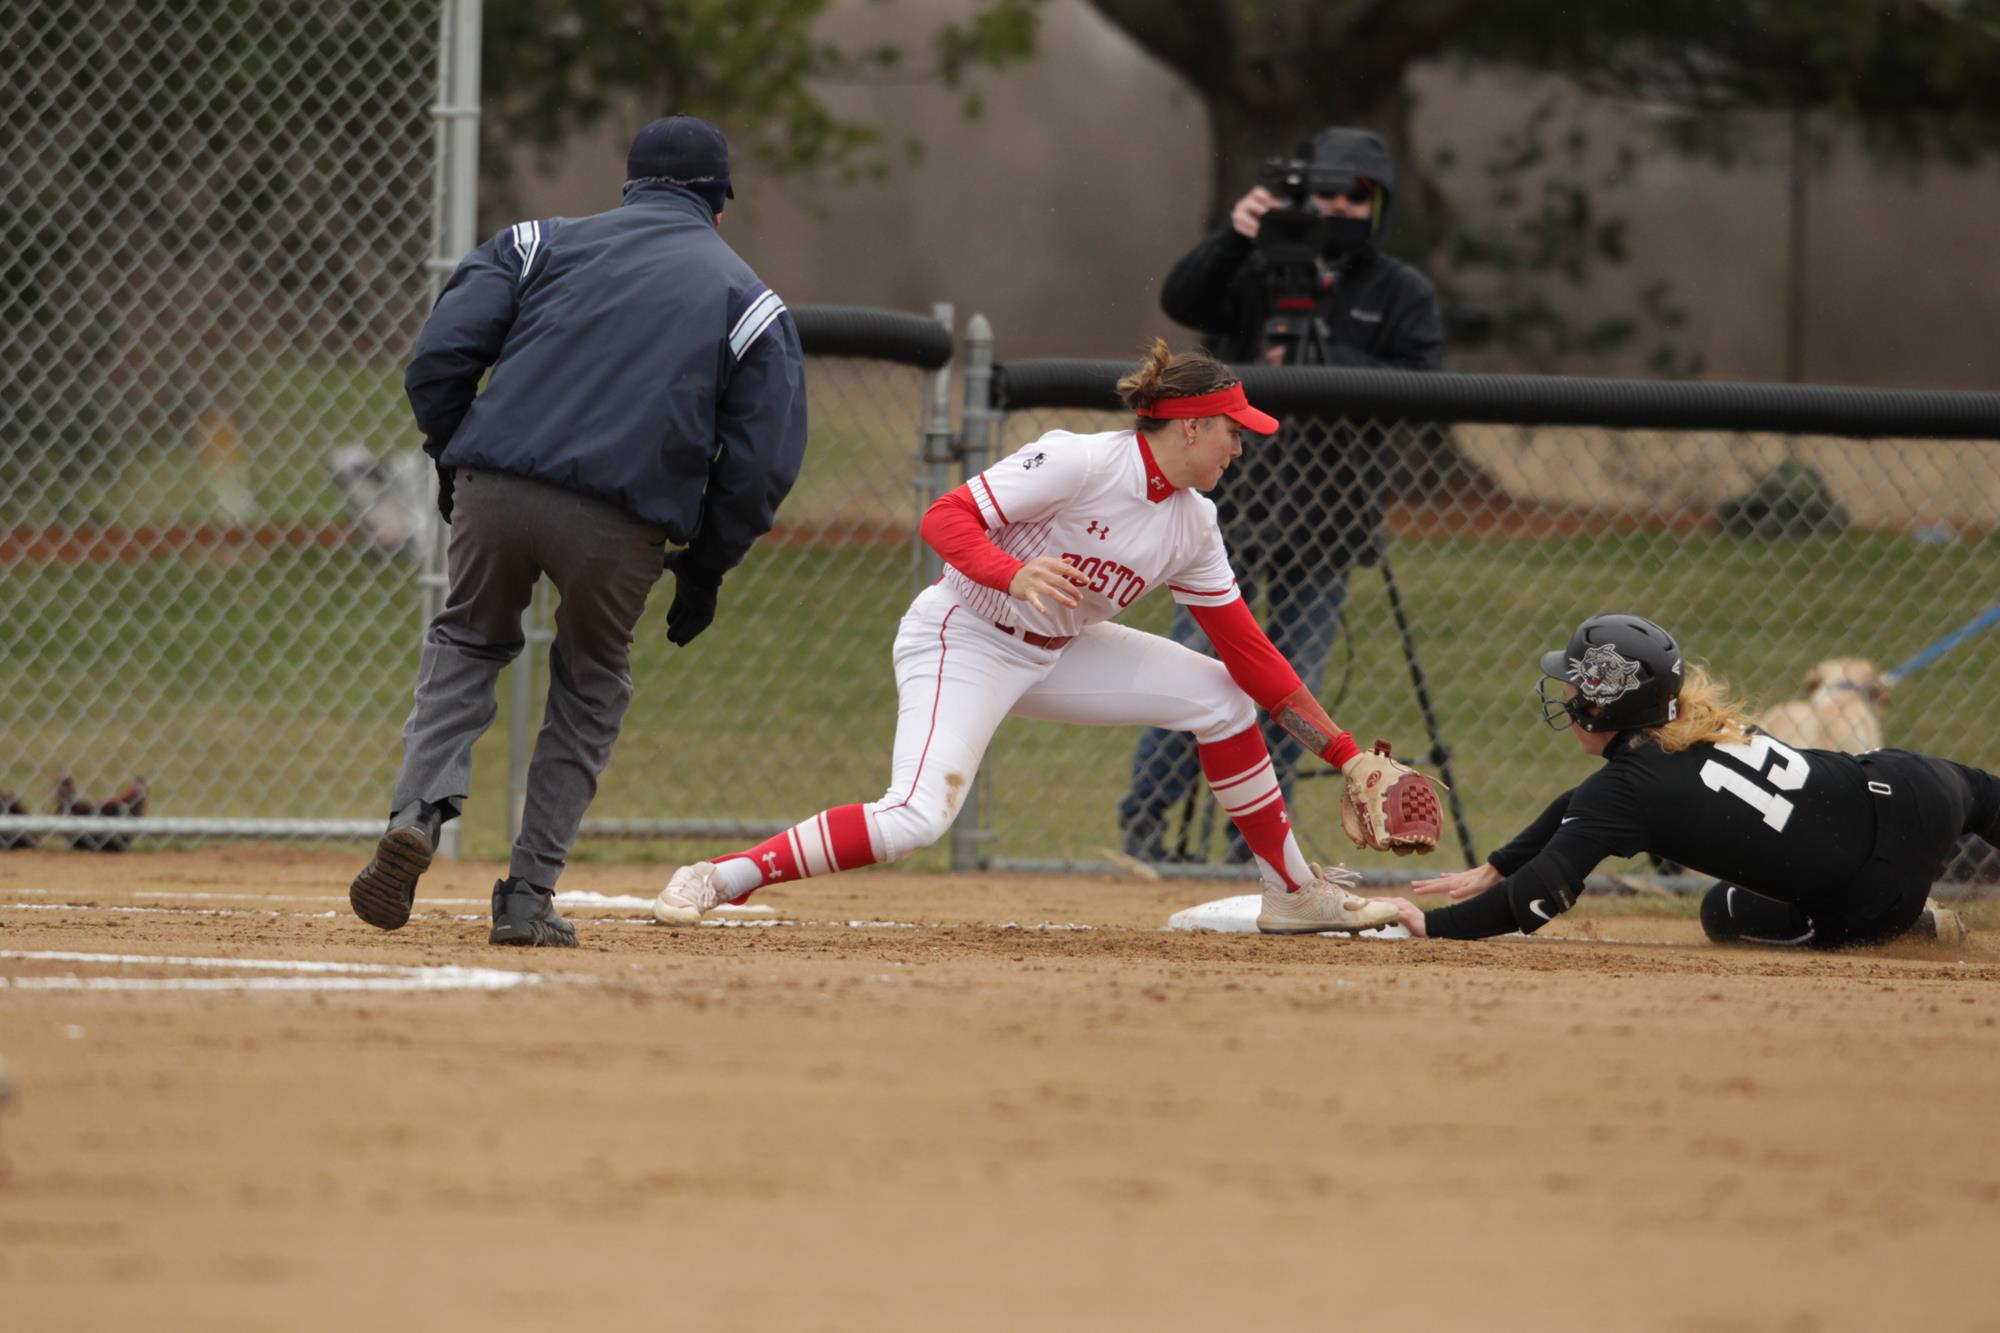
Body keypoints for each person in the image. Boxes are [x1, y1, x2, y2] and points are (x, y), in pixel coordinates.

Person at [652, 341, 1425, 934]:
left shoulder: (1194, 523)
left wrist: (1343, 752)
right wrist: (1011, 572)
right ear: (1190, 426)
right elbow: (945, 517)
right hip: (965, 634)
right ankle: (722, 876)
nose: (1240, 447)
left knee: (1223, 698)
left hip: (1059, 651)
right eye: (1232, 430)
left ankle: (1291, 892)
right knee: (916, 816)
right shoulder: (1081, 460)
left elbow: (1248, 651)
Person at [348, 114, 808, 948]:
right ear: (718, 203)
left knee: (467, 641)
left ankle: (416, 813)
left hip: (498, 487)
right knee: (590, 681)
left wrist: (453, 454)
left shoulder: (535, 243)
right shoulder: (750, 301)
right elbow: (761, 459)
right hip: (619, 520)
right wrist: (708, 563)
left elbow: (440, 357)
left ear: (629, 186)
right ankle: (527, 896)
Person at [1120, 127, 1445, 864]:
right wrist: (1235, 238)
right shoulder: (1256, 266)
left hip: (1332, 511)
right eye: (1323, 192)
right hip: (1229, 505)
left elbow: (1425, 385)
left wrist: (1322, 364)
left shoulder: (1400, 291)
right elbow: (1182, 298)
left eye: (1354, 196)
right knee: (1193, 662)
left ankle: (1256, 843)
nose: (1336, 207)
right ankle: (1146, 823)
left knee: (1293, 679)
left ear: (1378, 204)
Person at [1385, 613, 1984, 948]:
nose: (1566, 700)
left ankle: (1920, 924)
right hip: (1914, 788)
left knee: (1722, 910)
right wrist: (1501, 862)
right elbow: (1579, 809)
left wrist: (1431, 924)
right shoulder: (1704, 724)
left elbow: (1540, 895)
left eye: (1575, 690)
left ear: (1603, 706)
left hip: (1874, 900)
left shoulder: (1623, 792)